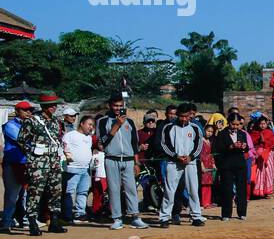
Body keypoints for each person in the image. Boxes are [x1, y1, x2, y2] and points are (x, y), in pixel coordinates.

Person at [95, 94, 149, 230]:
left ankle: (135, 217)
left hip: (129, 159)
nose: (118, 108)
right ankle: (117, 218)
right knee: (113, 189)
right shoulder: (102, 121)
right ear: (110, 105)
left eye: (120, 106)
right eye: (115, 106)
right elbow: (103, 142)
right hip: (111, 158)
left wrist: (137, 163)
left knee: (131, 189)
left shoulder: (129, 122)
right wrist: (116, 125)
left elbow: (134, 143)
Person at [19, 93, 67, 236]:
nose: (53, 107)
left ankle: (54, 221)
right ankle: (32, 222)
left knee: (55, 190)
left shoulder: (56, 121)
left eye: (55, 105)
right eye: (50, 105)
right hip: (38, 161)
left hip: (54, 160)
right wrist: (31, 154)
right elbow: (21, 140)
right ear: (43, 106)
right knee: (35, 191)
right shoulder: (32, 121)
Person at [157, 104, 205, 227]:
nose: (184, 119)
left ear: (190, 115)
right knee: (170, 190)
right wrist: (175, 156)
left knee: (193, 190)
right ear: (177, 115)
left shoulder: (195, 128)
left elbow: (199, 146)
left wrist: (191, 157)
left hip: (190, 162)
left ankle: (196, 216)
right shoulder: (168, 127)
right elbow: (164, 145)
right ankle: (164, 218)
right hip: (173, 162)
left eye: (186, 116)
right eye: (181, 116)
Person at [0, 100, 32, 232]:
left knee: (25, 195)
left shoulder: (31, 124)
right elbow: (22, 139)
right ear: (17, 112)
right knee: (12, 195)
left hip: (26, 162)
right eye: (25, 110)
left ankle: (23, 219)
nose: (28, 112)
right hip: (13, 163)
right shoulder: (10, 125)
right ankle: (7, 221)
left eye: (30, 110)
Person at [213, 113, 250, 220]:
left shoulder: (242, 134)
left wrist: (244, 146)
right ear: (228, 123)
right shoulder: (222, 134)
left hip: (240, 164)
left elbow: (247, 148)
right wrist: (231, 146)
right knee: (227, 189)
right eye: (233, 124)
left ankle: (242, 212)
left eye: (238, 124)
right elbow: (218, 150)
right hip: (227, 164)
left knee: (241, 189)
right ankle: (226, 214)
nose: (235, 127)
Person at [61, 113, 95, 222]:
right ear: (82, 124)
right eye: (89, 124)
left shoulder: (89, 138)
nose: (91, 127)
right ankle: (67, 214)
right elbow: (64, 149)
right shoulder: (70, 135)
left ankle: (80, 213)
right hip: (72, 168)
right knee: (70, 192)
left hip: (85, 169)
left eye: (92, 125)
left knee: (83, 191)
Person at [249, 116, 274, 198]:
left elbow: (273, 142)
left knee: (268, 173)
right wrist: (259, 141)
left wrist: (264, 141)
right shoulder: (254, 133)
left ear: (267, 124)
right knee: (260, 172)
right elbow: (251, 143)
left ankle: (267, 192)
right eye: (261, 124)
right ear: (257, 124)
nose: (262, 125)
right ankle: (259, 191)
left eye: (264, 124)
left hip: (268, 154)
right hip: (259, 156)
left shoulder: (269, 132)